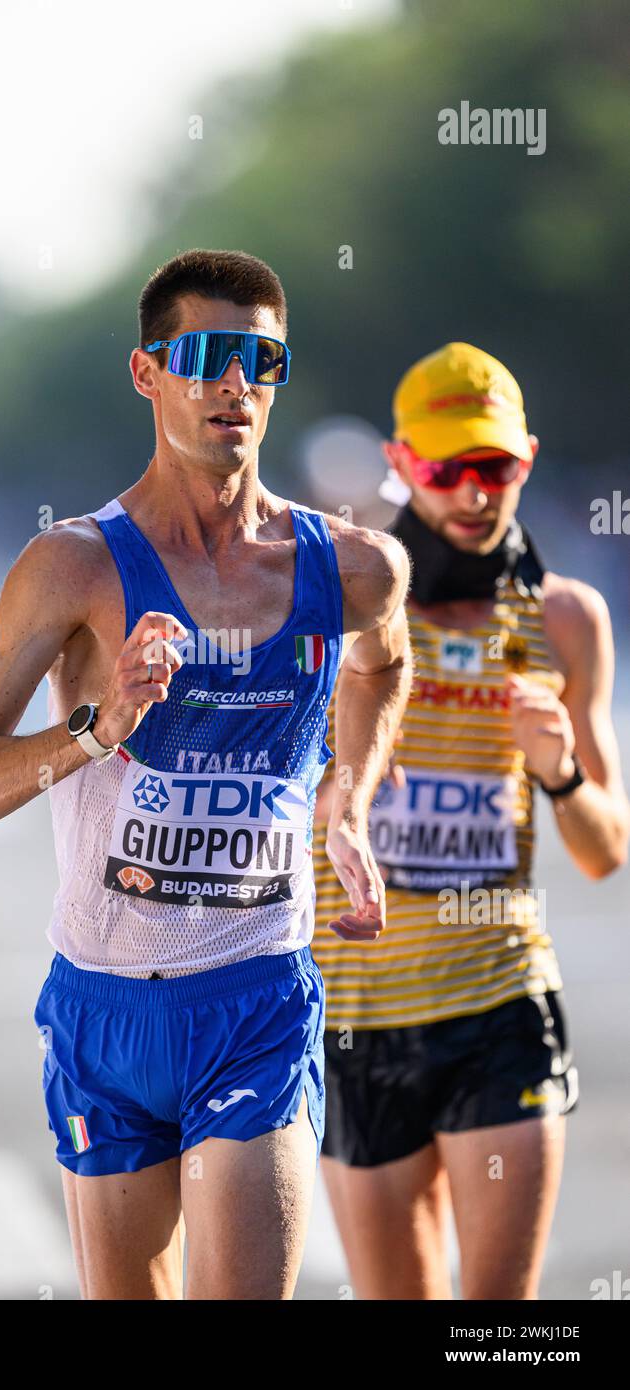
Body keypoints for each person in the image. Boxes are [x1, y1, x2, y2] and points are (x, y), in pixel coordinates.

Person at [0, 249, 411, 1300]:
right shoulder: (74, 567)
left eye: (261, 359)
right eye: (208, 356)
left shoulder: (353, 567)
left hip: (255, 993)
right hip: (102, 1008)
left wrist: (347, 796)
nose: (236, 383)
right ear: (148, 373)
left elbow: (384, 659)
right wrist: (100, 728)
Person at [311, 342, 630, 1300]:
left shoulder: (565, 620)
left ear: (524, 460)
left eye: (493, 467)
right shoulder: (340, 601)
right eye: (447, 469)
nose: (473, 492)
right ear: (405, 466)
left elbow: (606, 853)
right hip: (355, 1017)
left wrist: (562, 773)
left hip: (499, 1001)